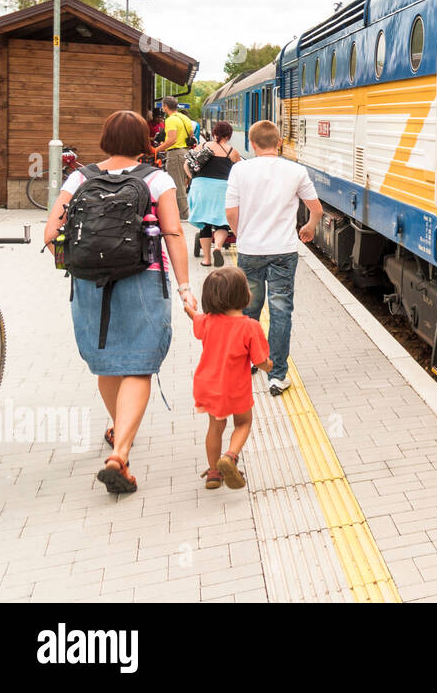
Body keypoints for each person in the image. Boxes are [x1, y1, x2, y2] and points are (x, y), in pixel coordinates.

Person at [42, 110, 197, 495]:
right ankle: (120, 453)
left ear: (105, 138)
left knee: (108, 364)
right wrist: (185, 288)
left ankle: (118, 429)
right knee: (139, 366)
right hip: (144, 278)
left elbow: (50, 234)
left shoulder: (80, 178)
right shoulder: (157, 179)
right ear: (145, 140)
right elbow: (174, 233)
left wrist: (81, 261)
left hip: (89, 282)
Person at [225, 120, 322, 396]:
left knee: (248, 311)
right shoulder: (296, 170)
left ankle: (248, 363)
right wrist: (309, 226)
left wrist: (240, 233)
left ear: (253, 144)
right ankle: (277, 376)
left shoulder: (239, 170)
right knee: (280, 312)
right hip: (283, 252)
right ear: (279, 143)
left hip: (250, 251)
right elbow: (316, 209)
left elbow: (231, 212)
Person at [183, 267, 272, 490]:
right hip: (235, 388)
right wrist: (270, 365)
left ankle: (214, 473)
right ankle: (230, 457)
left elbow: (196, 318)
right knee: (243, 423)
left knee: (215, 426)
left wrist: (190, 309)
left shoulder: (208, 321)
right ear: (244, 295)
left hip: (208, 385)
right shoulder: (250, 327)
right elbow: (261, 361)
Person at [187, 120, 242, 267]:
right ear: (229, 135)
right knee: (222, 223)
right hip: (221, 190)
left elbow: (186, 165)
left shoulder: (202, 146)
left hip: (201, 187)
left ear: (214, 133)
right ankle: (217, 247)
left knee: (204, 225)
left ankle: (206, 259)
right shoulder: (232, 152)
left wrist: (194, 179)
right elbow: (238, 173)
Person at [160, 96, 192, 219]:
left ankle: (183, 215)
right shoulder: (184, 118)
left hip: (175, 154)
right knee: (183, 184)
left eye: (163, 106)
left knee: (177, 185)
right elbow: (190, 135)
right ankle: (183, 212)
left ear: (165, 106)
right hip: (185, 152)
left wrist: (156, 150)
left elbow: (172, 140)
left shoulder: (171, 120)